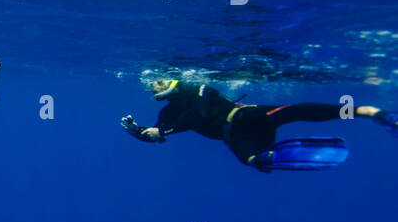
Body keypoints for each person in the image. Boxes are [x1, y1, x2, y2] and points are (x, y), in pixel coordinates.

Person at [121, 79, 398, 171]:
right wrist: (139, 132)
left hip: (246, 119)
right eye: (150, 85)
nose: (152, 87)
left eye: (157, 81)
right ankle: (265, 158)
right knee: (250, 159)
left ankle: (371, 112)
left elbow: (199, 115)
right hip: (240, 138)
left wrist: (164, 130)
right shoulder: (168, 113)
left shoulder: (199, 89)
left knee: (297, 111)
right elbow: (155, 136)